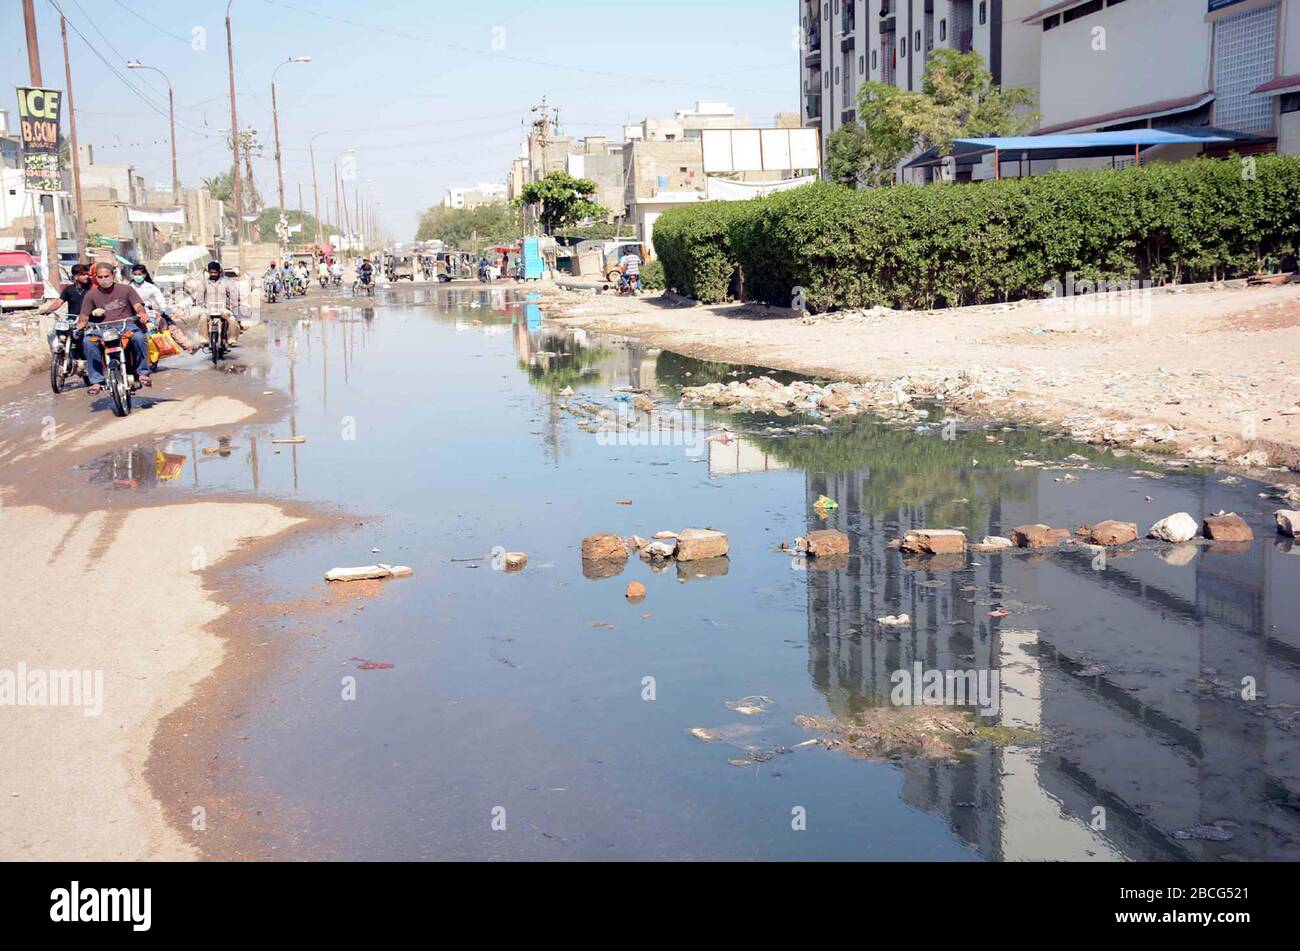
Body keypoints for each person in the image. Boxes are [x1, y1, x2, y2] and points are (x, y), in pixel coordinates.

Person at [77, 262, 153, 394]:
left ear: (113, 275)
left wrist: (141, 313)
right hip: (101, 328)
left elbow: (138, 305)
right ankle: (96, 380)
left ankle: (143, 373)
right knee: (87, 342)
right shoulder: (90, 295)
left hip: (126, 325)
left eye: (107, 276)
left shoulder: (126, 289)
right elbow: (83, 315)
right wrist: (81, 324)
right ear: (95, 277)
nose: (104, 279)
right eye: (100, 277)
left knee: (140, 337)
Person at [130, 263, 195, 354]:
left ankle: (187, 346)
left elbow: (162, 303)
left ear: (144, 275)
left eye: (139, 274)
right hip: (132, 316)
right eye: (135, 274)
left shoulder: (152, 288)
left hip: (150, 315)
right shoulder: (129, 287)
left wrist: (167, 310)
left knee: (169, 326)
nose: (137, 277)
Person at [200, 260, 242, 346]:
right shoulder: (204, 283)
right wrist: (199, 305)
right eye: (211, 272)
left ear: (219, 272)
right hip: (209, 309)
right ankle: (204, 339)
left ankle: (232, 339)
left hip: (223, 309)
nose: (213, 274)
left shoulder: (226, 282)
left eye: (215, 272)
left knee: (232, 320)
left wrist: (233, 305)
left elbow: (233, 294)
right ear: (209, 272)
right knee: (202, 318)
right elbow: (199, 296)